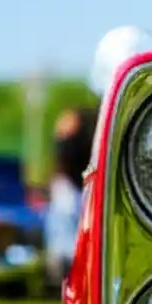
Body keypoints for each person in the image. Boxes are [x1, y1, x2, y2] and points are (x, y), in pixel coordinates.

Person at [44, 107, 96, 291]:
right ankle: (63, 277)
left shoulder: (79, 140)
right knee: (64, 240)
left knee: (71, 239)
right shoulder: (68, 142)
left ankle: (71, 277)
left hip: (77, 188)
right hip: (70, 188)